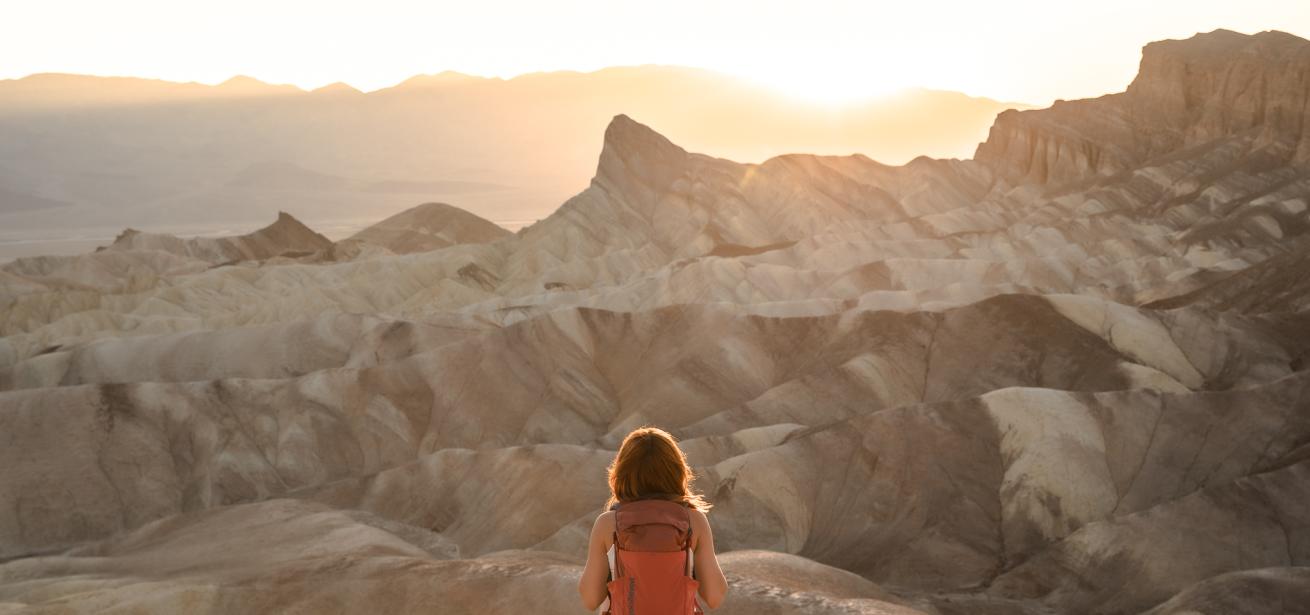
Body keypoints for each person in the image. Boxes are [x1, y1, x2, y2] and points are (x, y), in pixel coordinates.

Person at [578, 426, 728, 613]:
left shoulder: (608, 524)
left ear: (622, 473)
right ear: (677, 471)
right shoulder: (694, 522)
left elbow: (590, 599)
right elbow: (715, 596)